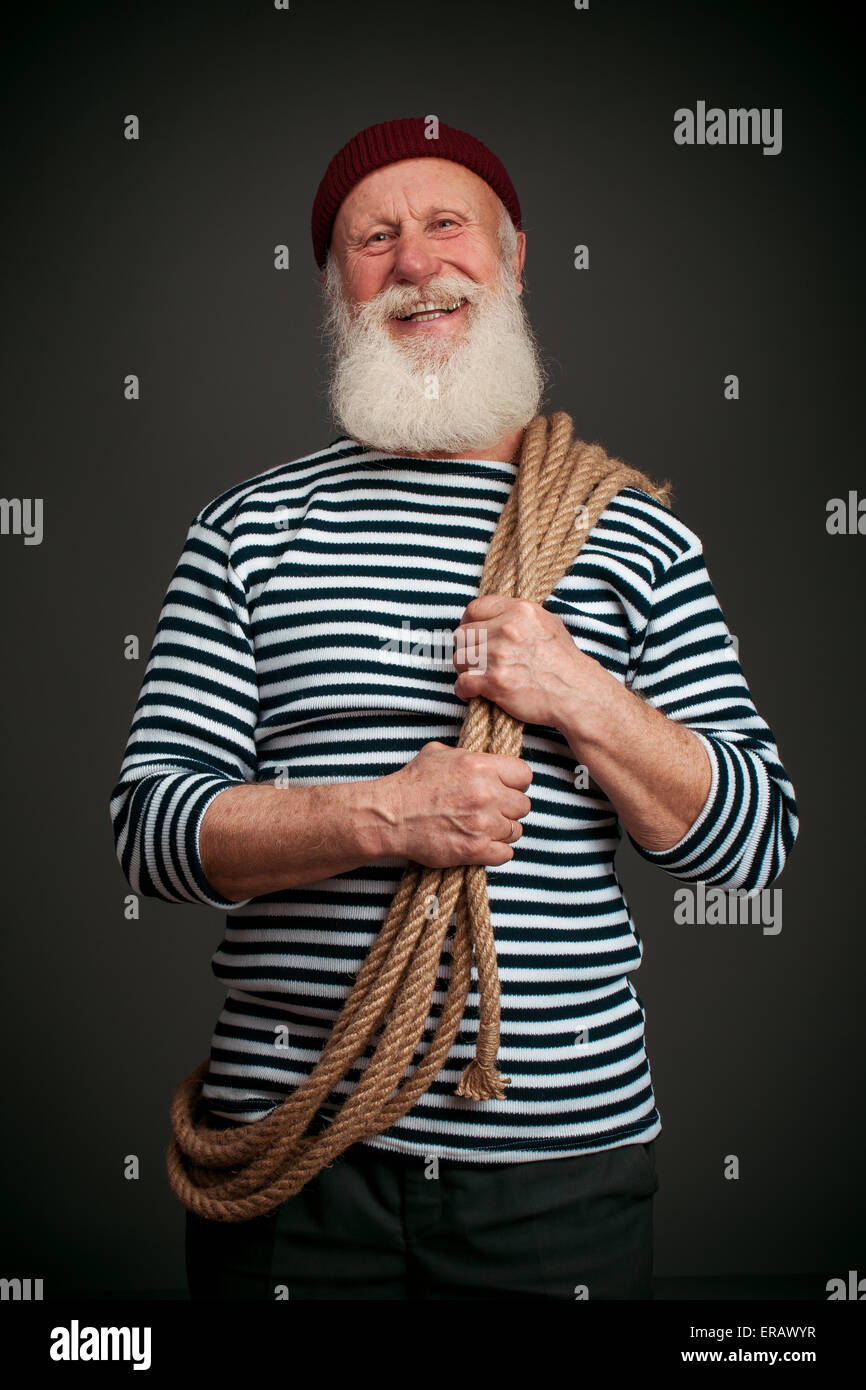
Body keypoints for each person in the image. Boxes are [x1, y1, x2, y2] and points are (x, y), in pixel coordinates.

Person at [109, 117, 799, 1300]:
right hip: (295, 1161)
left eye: (445, 226)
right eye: (371, 239)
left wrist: (577, 689)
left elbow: (754, 843)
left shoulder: (630, 529)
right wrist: (381, 816)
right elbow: (154, 835)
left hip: (557, 1172)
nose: (415, 264)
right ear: (334, 286)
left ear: (513, 256)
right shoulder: (249, 531)